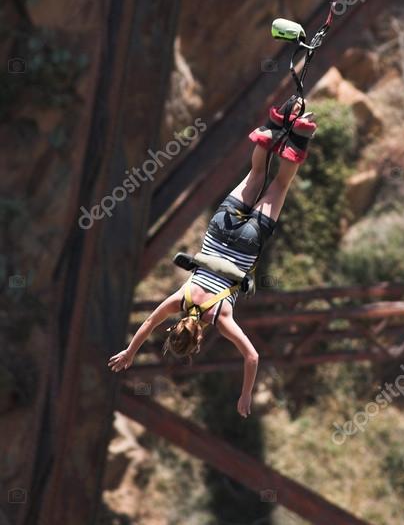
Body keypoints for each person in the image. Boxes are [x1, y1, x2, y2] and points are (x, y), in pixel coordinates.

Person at [108, 99, 316, 416]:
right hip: (221, 229)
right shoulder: (180, 300)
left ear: (199, 339)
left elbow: (252, 357)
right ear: (176, 326)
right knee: (258, 172)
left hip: (247, 245)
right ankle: (275, 124)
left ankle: (300, 132)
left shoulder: (220, 318)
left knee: (280, 182)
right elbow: (150, 322)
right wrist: (129, 353)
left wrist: (245, 396)